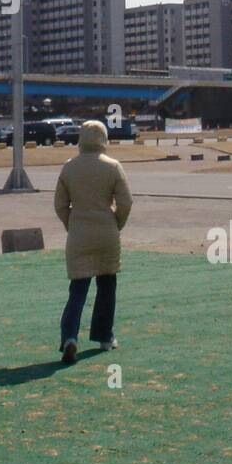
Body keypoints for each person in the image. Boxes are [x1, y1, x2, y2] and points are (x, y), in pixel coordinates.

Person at [53, 120, 133, 364]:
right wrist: (115, 224)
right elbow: (126, 203)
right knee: (107, 286)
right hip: (106, 233)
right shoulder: (113, 167)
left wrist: (71, 225)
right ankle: (105, 336)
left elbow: (60, 205)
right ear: (104, 138)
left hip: (79, 233)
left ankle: (69, 338)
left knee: (77, 290)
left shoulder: (69, 168)